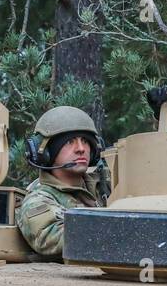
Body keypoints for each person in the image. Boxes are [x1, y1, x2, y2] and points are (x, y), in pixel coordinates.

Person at [15, 106, 106, 258]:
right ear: (47, 152)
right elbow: (50, 239)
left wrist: (160, 113)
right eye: (70, 142)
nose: (81, 149)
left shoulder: (103, 184)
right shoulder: (38, 200)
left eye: (85, 141)